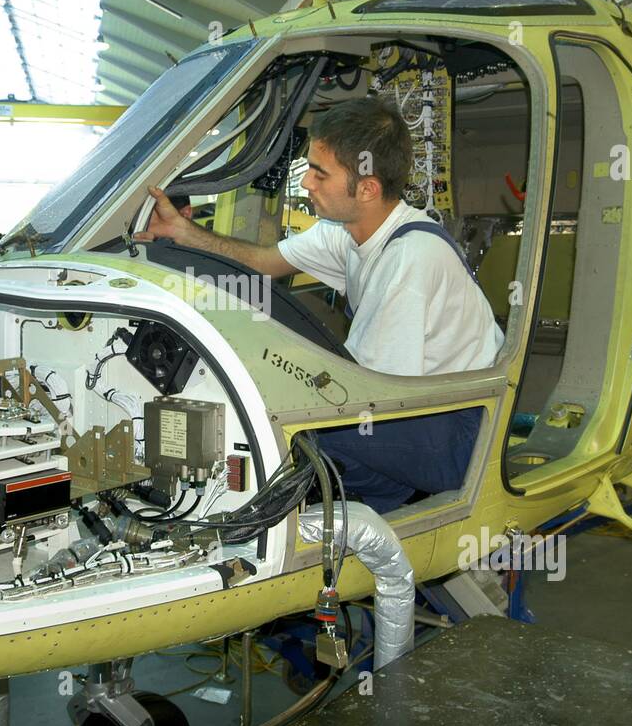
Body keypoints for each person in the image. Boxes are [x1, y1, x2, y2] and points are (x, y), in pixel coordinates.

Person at [138, 96, 504, 513]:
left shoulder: (411, 258)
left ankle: (374, 500)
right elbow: (262, 262)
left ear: (367, 188)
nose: (306, 183)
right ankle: (383, 494)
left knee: (290, 420)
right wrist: (182, 233)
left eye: (319, 173)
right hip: (422, 413)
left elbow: (369, 396)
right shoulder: (347, 231)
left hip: (461, 433)